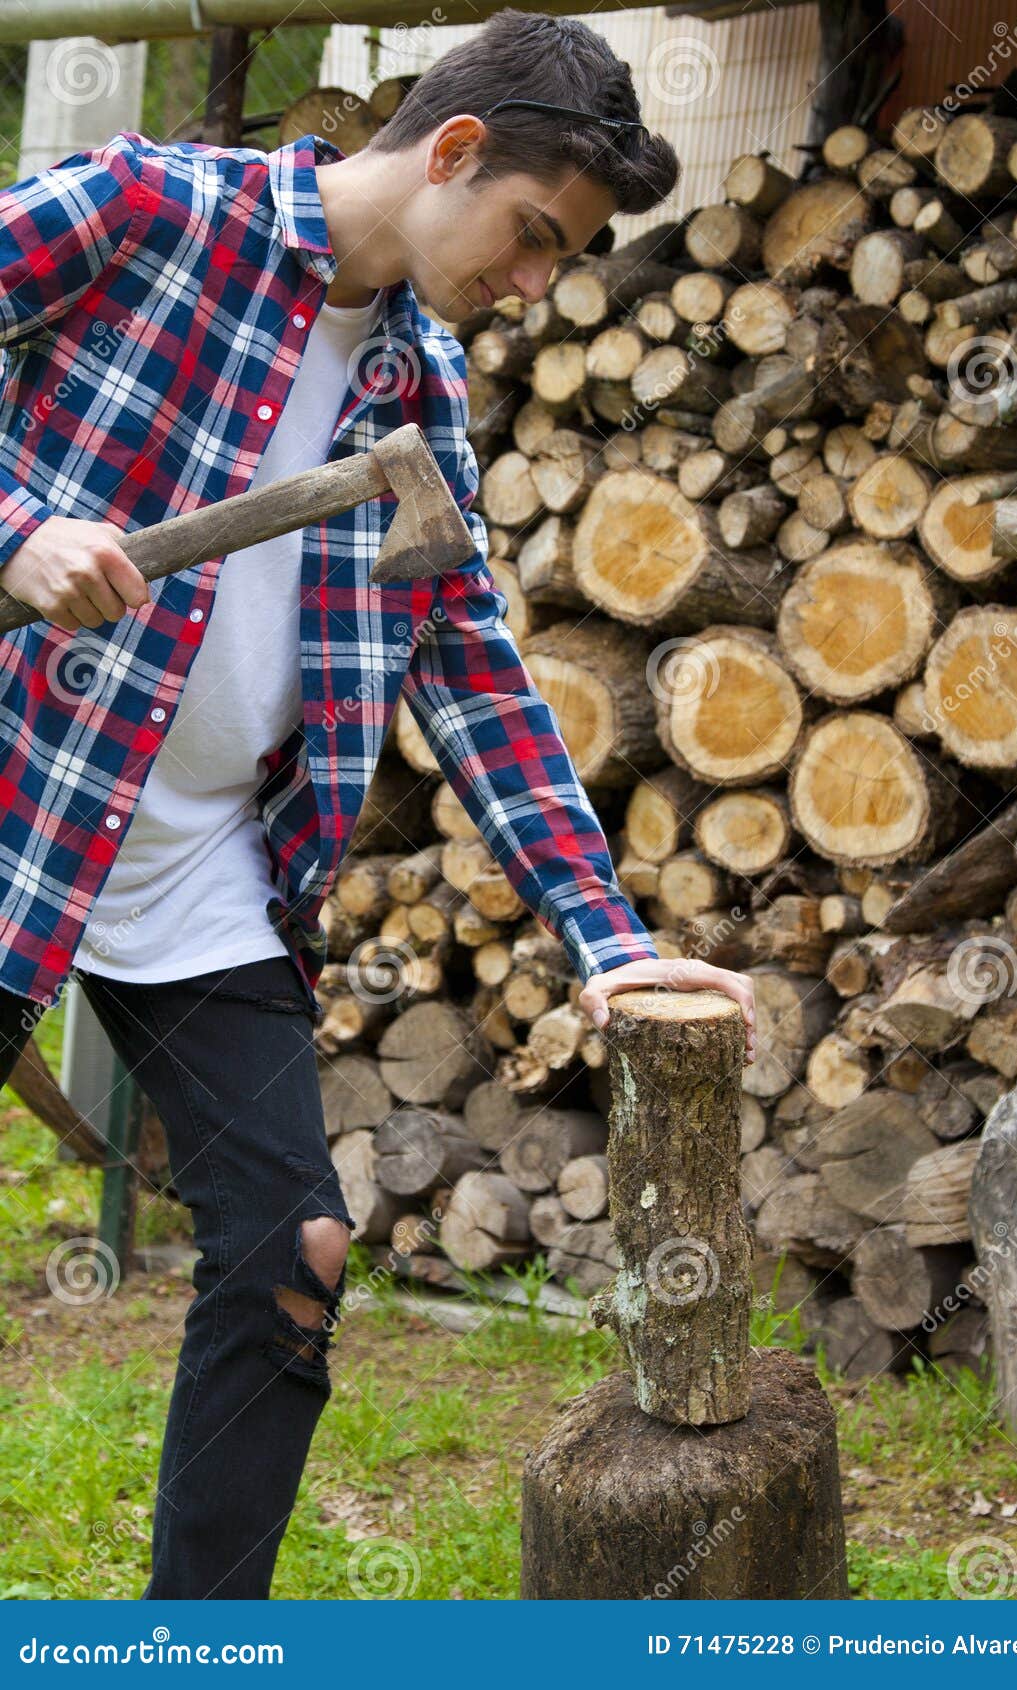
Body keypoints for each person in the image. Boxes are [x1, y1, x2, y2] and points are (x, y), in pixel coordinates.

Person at [0, 9, 756, 1598]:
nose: (538, 279)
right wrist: (15, 526)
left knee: (297, 1251)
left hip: (194, 864)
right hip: (22, 806)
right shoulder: (151, 208)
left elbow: (471, 671)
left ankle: (197, 1640)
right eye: (532, 235)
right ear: (455, 150)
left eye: (567, 259)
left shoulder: (417, 383)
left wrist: (602, 938)